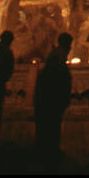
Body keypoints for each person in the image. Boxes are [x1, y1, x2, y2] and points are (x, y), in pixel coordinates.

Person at [34, 32, 73, 163]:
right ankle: (49, 154)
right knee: (51, 126)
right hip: (52, 98)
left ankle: (48, 151)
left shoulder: (56, 54)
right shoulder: (58, 56)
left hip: (49, 97)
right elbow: (59, 77)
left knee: (49, 126)